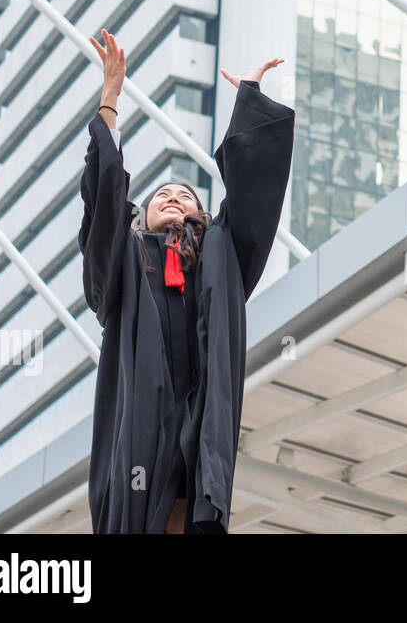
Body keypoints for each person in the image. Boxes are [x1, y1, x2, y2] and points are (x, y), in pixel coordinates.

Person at [80, 29, 294, 533]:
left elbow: (250, 199)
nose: (173, 198)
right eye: (162, 195)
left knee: (194, 508)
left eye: (185, 195)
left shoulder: (222, 257)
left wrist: (249, 99)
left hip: (199, 423)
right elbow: (103, 210)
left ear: (201, 214)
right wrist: (110, 99)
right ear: (142, 214)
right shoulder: (121, 264)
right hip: (139, 426)